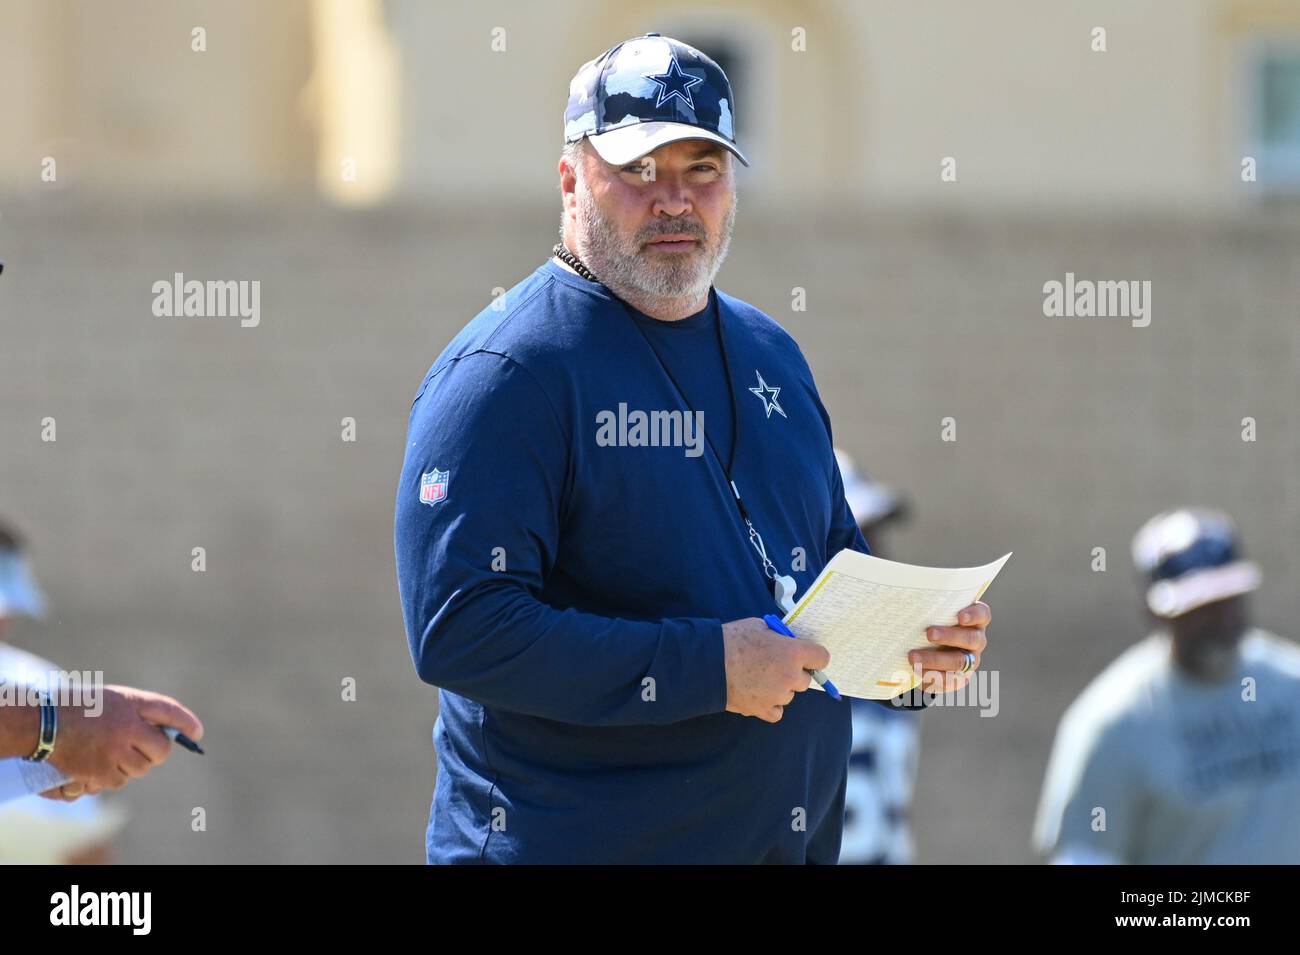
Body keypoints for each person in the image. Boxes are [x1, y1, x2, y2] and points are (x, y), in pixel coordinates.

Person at [395, 33, 991, 864]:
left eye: (702, 168)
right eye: (639, 170)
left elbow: (826, 567)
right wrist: (710, 667)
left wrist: (910, 650)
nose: (674, 199)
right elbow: (462, 629)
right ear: (572, 180)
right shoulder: (506, 376)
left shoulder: (770, 352)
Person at [1032, 507, 1300, 864]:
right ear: (1155, 610)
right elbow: (1085, 857)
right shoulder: (1113, 724)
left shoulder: (1291, 686)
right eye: (1199, 606)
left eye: (1226, 599)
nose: (1219, 618)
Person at [0, 521, 205, 819]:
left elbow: (84, 843)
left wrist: (47, 744)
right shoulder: (47, 693)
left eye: (8, 612)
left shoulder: (40, 680)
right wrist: (50, 726)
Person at [832, 450, 923, 865]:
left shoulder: (892, 658)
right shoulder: (769, 668)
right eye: (853, 540)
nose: (876, 557)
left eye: (873, 539)